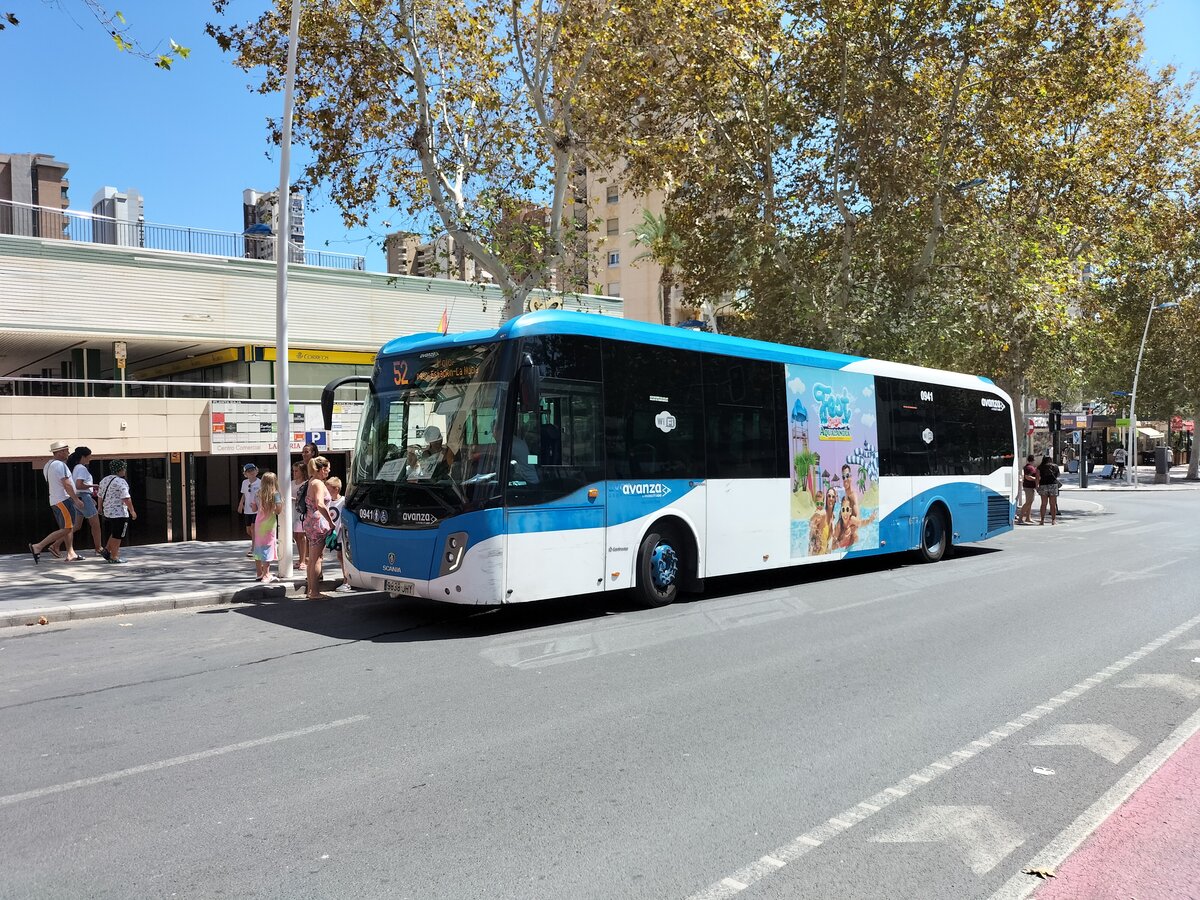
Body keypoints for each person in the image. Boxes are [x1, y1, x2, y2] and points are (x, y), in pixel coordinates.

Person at [29, 440, 86, 563]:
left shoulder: (48, 465)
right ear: (59, 452)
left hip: (56, 500)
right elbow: (66, 484)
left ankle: (71, 553)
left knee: (67, 527)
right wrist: (76, 500)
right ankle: (38, 546)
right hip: (63, 500)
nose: (68, 453)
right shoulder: (60, 465)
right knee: (67, 528)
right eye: (66, 450)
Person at [303, 457, 335, 599]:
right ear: (322, 469)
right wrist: (330, 521)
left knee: (313, 558)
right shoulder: (318, 484)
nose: (328, 472)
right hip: (318, 523)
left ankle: (311, 590)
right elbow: (320, 504)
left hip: (310, 522)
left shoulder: (311, 481)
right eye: (327, 469)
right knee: (317, 559)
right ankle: (314, 592)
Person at [97, 460, 136, 563]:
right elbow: (126, 498)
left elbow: (100, 495)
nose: (125, 471)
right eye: (124, 469)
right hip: (120, 513)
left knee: (115, 531)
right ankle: (114, 557)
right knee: (118, 535)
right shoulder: (121, 482)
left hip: (108, 511)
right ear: (121, 469)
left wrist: (100, 507)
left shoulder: (104, 480)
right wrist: (132, 511)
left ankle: (107, 550)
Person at [253, 471, 282, 583]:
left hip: (259, 522)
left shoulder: (258, 493)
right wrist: (275, 509)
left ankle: (259, 573)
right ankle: (266, 574)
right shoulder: (275, 494)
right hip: (269, 524)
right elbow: (279, 510)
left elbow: (254, 508)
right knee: (268, 547)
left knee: (258, 546)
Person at [325, 476, 353, 593]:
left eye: (329, 489)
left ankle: (347, 581)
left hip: (342, 534)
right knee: (340, 556)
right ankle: (346, 579)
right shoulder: (328, 501)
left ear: (336, 489)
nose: (327, 492)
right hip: (334, 534)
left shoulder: (343, 501)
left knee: (343, 557)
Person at [236, 462, 261, 557]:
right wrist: (240, 504)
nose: (251, 472)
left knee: (253, 528)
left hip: (256, 509)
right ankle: (258, 542)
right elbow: (244, 494)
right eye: (248, 471)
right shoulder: (244, 483)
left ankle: (254, 548)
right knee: (248, 530)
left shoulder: (260, 482)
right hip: (247, 509)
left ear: (256, 471)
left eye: (252, 470)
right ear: (245, 474)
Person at [291, 460, 309, 571]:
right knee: (296, 536)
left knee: (301, 536)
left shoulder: (306, 484)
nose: (294, 473)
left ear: (302, 472)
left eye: (296, 471)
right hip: (292, 511)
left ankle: (303, 560)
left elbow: (303, 499)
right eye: (293, 471)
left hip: (301, 512)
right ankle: (300, 558)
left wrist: (292, 499)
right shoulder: (292, 483)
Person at [1036, 453, 1060, 525]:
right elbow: (1058, 475)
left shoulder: (1039, 467)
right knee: (1053, 504)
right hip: (1053, 485)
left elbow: (1037, 477)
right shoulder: (1055, 466)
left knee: (1043, 504)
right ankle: (1053, 520)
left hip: (1043, 485)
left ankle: (1042, 520)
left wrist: (1037, 486)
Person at [1018, 454, 1039, 524]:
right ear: (1033, 460)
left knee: (1030, 502)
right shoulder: (1029, 468)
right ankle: (1020, 518)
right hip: (1028, 487)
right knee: (1028, 502)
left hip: (1030, 487)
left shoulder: (1030, 467)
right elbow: (1027, 477)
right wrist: (1036, 479)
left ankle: (1028, 518)